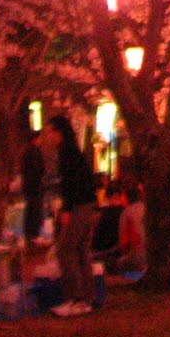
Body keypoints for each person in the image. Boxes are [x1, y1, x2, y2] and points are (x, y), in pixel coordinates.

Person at [48, 115, 98, 316]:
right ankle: (87, 297)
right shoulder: (74, 152)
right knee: (80, 251)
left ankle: (76, 298)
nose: (48, 137)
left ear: (59, 132)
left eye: (50, 132)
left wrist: (67, 209)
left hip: (78, 206)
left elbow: (71, 184)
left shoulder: (67, 154)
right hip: (87, 204)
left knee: (66, 249)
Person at [20, 129, 46, 241]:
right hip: (34, 186)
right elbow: (38, 169)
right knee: (34, 210)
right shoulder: (34, 151)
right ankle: (33, 234)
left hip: (28, 185)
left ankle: (29, 233)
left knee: (29, 209)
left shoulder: (25, 151)